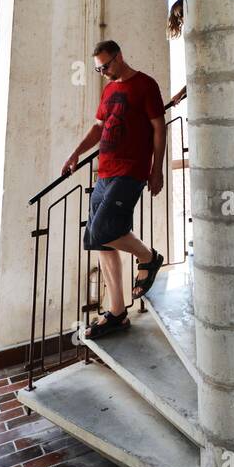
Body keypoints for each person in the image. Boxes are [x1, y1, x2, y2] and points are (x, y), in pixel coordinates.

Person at [61, 39, 166, 338]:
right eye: (98, 69)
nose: (103, 72)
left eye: (106, 66)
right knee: (97, 240)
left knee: (105, 229)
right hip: (104, 171)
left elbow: (159, 127)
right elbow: (98, 127)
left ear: (119, 56)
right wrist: (75, 153)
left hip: (130, 171)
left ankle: (148, 257)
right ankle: (118, 311)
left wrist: (156, 169)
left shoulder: (146, 85)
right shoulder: (108, 90)